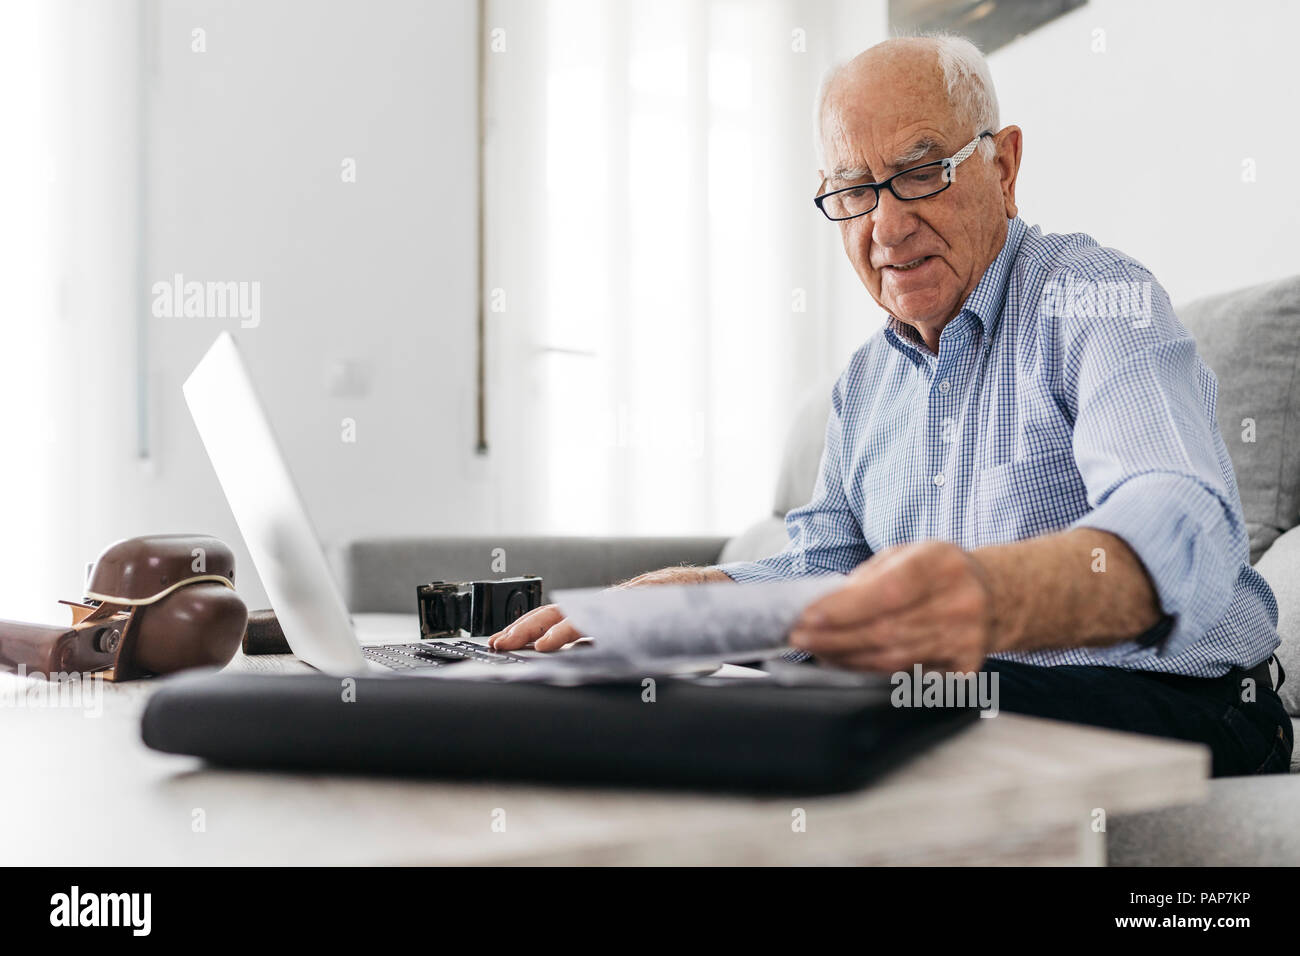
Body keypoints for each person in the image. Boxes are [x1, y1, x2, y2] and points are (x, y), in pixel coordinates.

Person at [491, 35, 1290, 777]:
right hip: (974, 687)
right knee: (729, 711)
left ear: (1004, 168)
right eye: (853, 190)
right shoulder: (865, 383)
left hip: (1195, 704)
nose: (886, 225)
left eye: (920, 172)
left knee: (880, 713)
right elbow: (829, 565)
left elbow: (1185, 522)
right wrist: (690, 605)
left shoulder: (1094, 297)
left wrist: (989, 597)